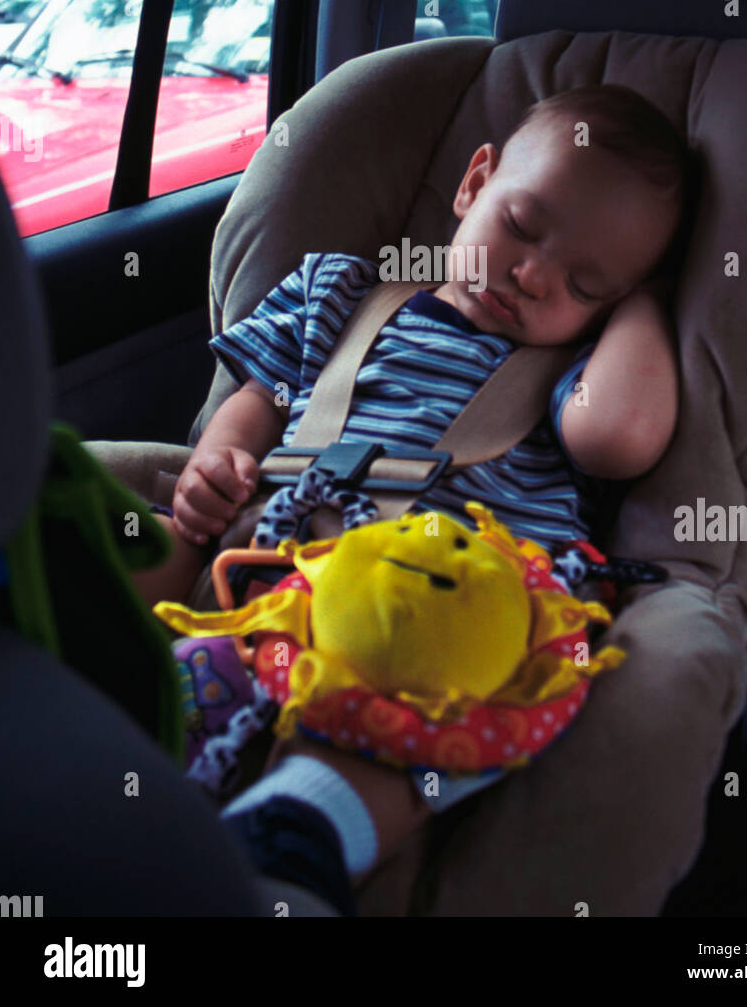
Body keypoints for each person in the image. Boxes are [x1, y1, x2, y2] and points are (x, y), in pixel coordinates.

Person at [133, 83, 696, 915]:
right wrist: (222, 460)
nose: (533, 275)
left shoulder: (571, 378)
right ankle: (87, 709)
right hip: (263, 560)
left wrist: (641, 301)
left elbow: (621, 435)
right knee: (123, 539)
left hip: (426, 606)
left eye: (586, 283)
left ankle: (301, 831)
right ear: (475, 183)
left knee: (434, 701)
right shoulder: (340, 290)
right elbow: (256, 397)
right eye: (521, 226)